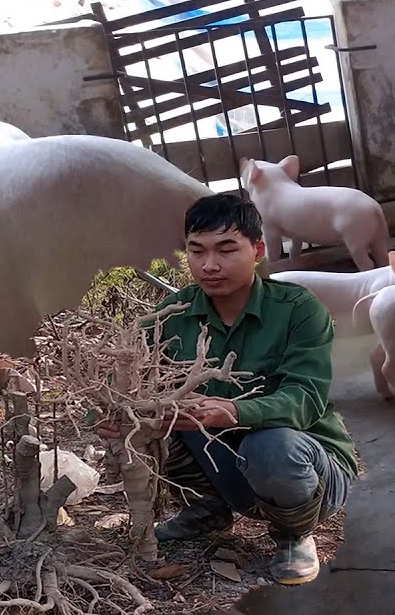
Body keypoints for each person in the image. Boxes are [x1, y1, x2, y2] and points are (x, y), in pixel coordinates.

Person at [97, 193, 358, 586]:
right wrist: (110, 416)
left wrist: (234, 411)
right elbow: (121, 378)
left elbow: (305, 399)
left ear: (257, 250)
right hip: (221, 460)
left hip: (307, 467)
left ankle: (293, 534)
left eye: (226, 249)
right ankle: (208, 508)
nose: (209, 265)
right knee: (152, 420)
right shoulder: (173, 315)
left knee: (269, 446)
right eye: (196, 251)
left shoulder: (298, 310)